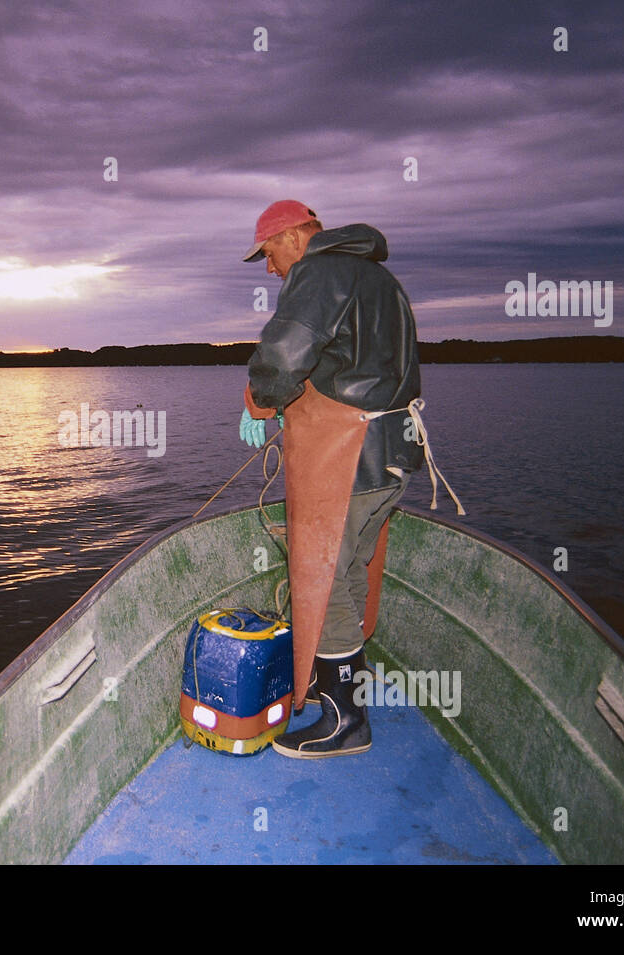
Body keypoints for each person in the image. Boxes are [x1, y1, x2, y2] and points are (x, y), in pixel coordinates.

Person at [239, 199, 424, 759]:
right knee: (352, 571)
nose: (271, 269)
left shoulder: (317, 272)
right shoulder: (381, 277)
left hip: (349, 459)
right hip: (395, 458)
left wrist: (259, 403)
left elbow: (284, 353)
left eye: (269, 253)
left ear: (295, 236)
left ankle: (345, 720)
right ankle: (335, 676)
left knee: (325, 578)